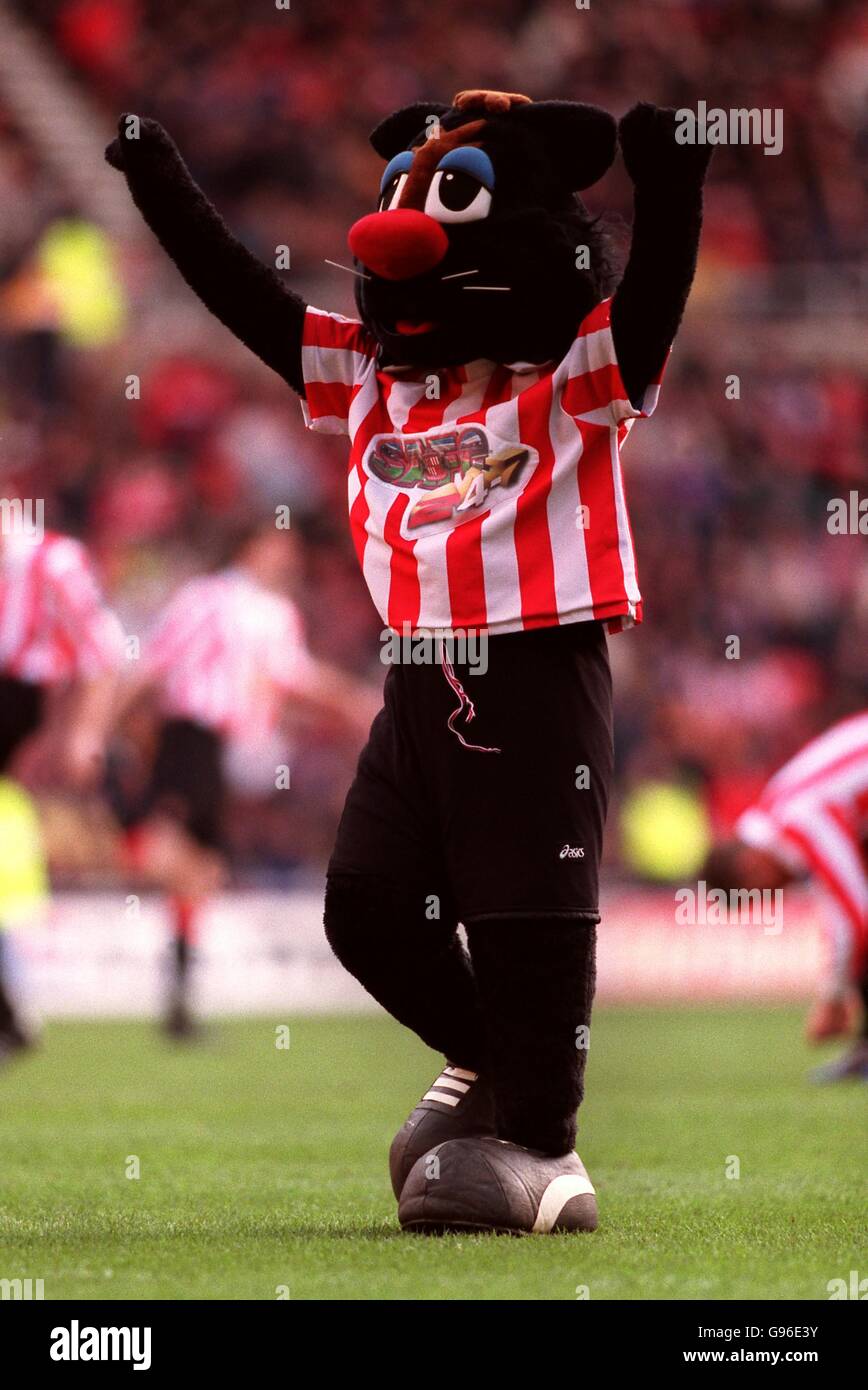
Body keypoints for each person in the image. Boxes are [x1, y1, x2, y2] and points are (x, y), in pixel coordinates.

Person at [113, 520, 379, 1037]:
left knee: (201, 870)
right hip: (191, 736)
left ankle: (179, 1001)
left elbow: (279, 683)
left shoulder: (242, 605)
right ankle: (122, 839)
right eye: (279, 546)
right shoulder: (226, 602)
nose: (288, 558)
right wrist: (352, 701)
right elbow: (158, 665)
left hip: (211, 746)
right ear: (252, 547)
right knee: (179, 858)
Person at [0, 520, 124, 1055]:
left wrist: (81, 735)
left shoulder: (51, 559)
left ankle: (12, 1002)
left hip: (24, 703)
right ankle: (10, 1005)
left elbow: (103, 649)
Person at [705, 710, 868, 1082]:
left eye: (759, 896)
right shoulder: (778, 809)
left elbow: (854, 911)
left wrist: (833, 997)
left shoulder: (802, 819)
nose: (776, 895)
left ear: (750, 867)